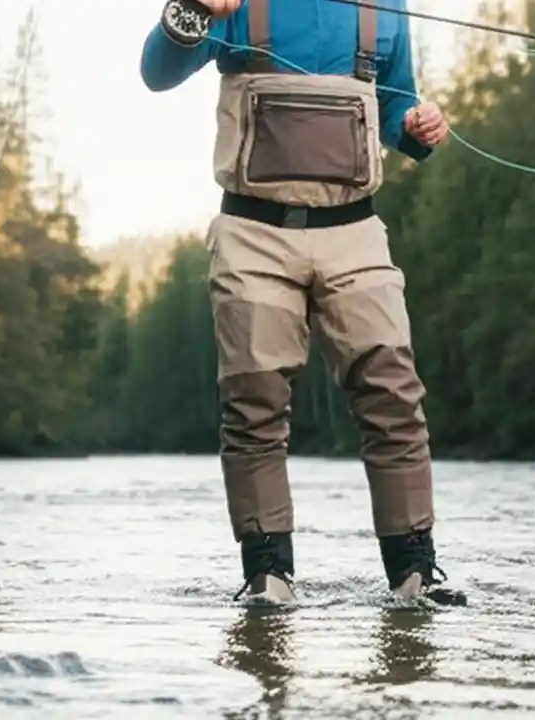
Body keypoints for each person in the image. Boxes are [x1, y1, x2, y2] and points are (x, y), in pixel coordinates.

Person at [140, 0, 464, 607]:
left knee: (394, 394)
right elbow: (157, 72)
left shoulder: (385, 9)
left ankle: (414, 575)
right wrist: (189, 10)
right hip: (253, 232)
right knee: (254, 404)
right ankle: (268, 578)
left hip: (356, 229)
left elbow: (396, 105)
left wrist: (418, 128)